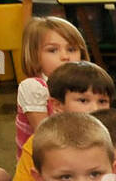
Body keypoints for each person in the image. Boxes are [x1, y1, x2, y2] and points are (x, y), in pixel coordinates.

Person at [7, 62, 114, 181]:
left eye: (102, 101)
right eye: (83, 100)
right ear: (57, 105)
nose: (95, 109)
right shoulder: (40, 142)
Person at [15, 16, 87, 156]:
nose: (65, 56)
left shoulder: (84, 85)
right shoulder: (33, 87)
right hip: (44, 162)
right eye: (53, 50)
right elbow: (47, 136)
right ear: (34, 55)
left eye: (71, 49)